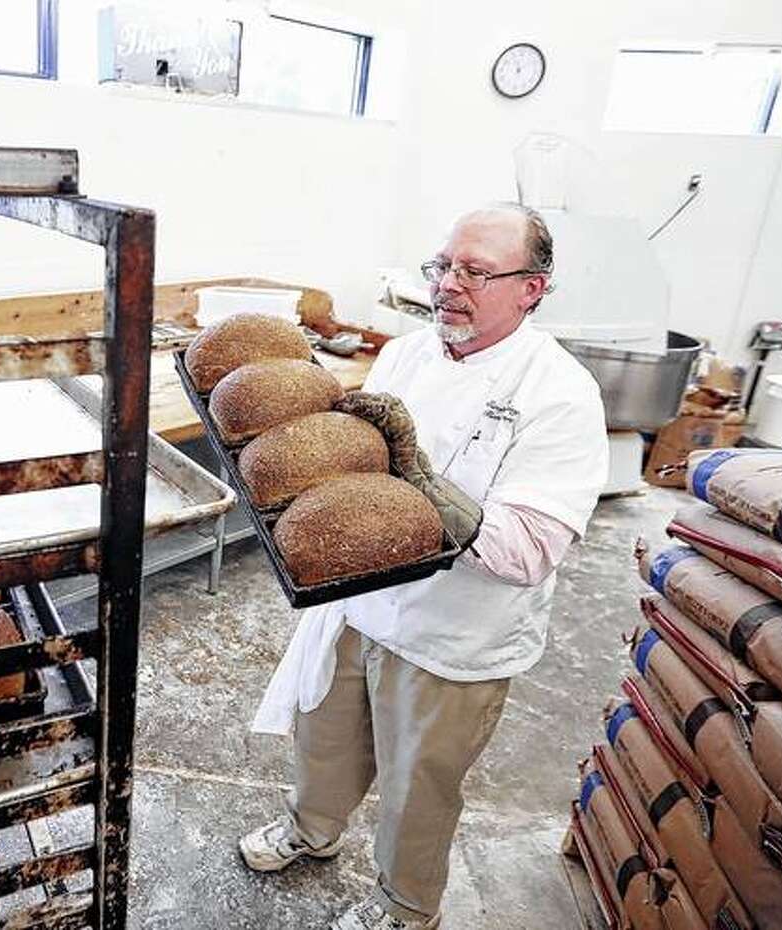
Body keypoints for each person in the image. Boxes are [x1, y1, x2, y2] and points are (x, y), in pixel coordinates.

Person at [240, 204, 609, 929]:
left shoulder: (560, 394)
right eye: (443, 266)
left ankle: (405, 907)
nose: (448, 285)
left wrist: (421, 476)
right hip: (360, 596)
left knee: (419, 786)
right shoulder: (408, 353)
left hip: (455, 633)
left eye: (475, 271)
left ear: (532, 288)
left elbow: (527, 552)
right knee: (326, 738)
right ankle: (312, 832)